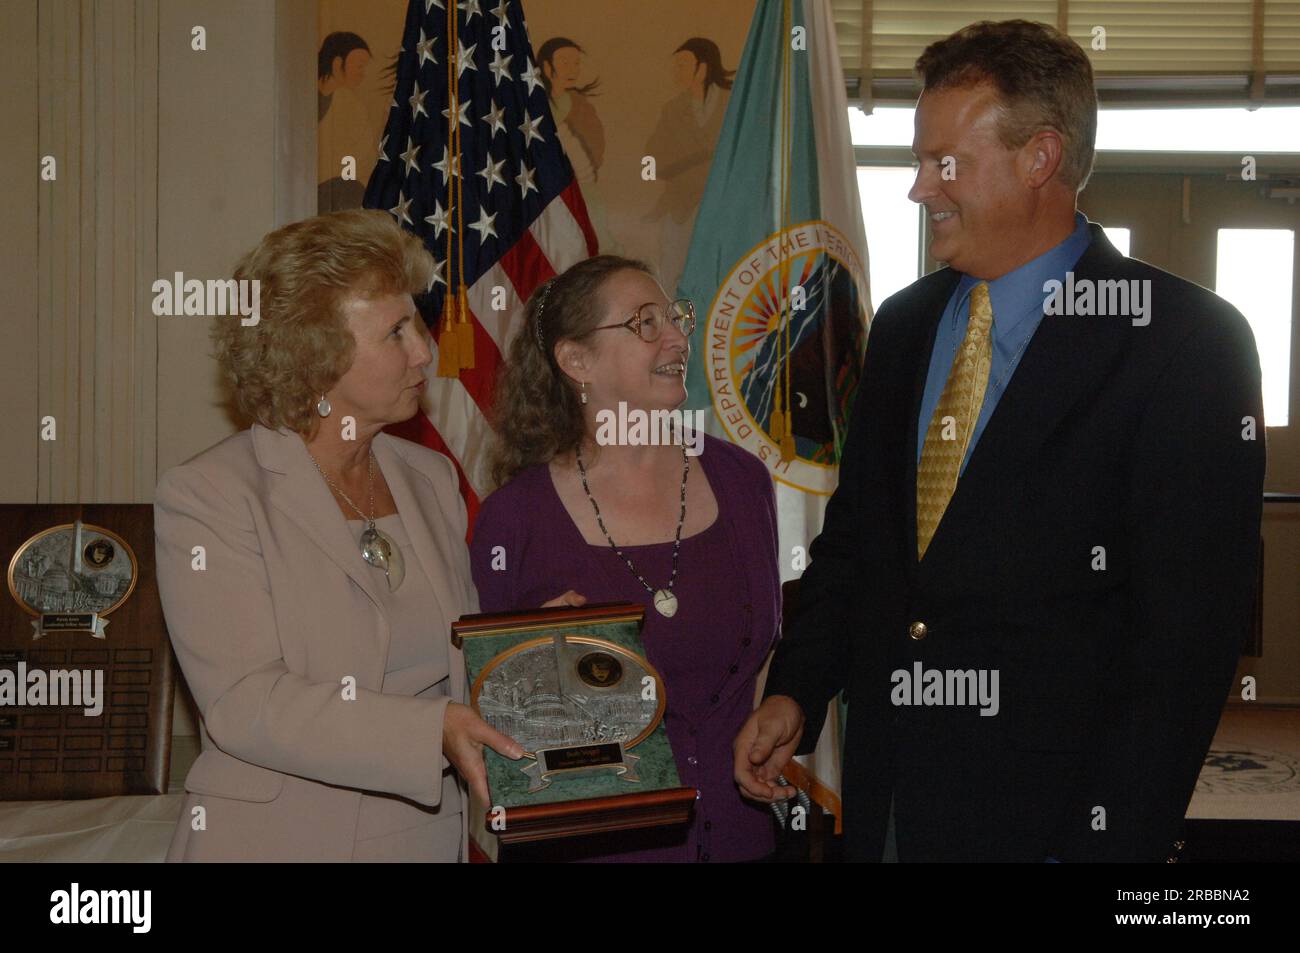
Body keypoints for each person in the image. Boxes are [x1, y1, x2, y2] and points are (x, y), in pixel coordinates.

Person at [734, 19, 1266, 862]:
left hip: (1055, 827)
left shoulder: (1183, 342)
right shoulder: (904, 327)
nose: (919, 189)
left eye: (942, 163)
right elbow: (860, 547)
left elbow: (1185, 647)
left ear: (1040, 158)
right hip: (889, 808)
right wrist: (796, 689)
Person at [155, 209, 526, 862]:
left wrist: (535, 647)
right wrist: (427, 729)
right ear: (316, 355)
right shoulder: (212, 494)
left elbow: (453, 658)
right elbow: (246, 703)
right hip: (276, 842)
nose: (425, 351)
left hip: (423, 838)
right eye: (396, 332)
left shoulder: (428, 475)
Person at [470, 255, 781, 862]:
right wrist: (536, 671)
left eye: (675, 316)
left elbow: (762, 661)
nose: (677, 336)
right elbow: (494, 719)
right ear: (576, 361)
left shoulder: (743, 481)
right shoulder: (515, 519)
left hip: (740, 837)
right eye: (644, 322)